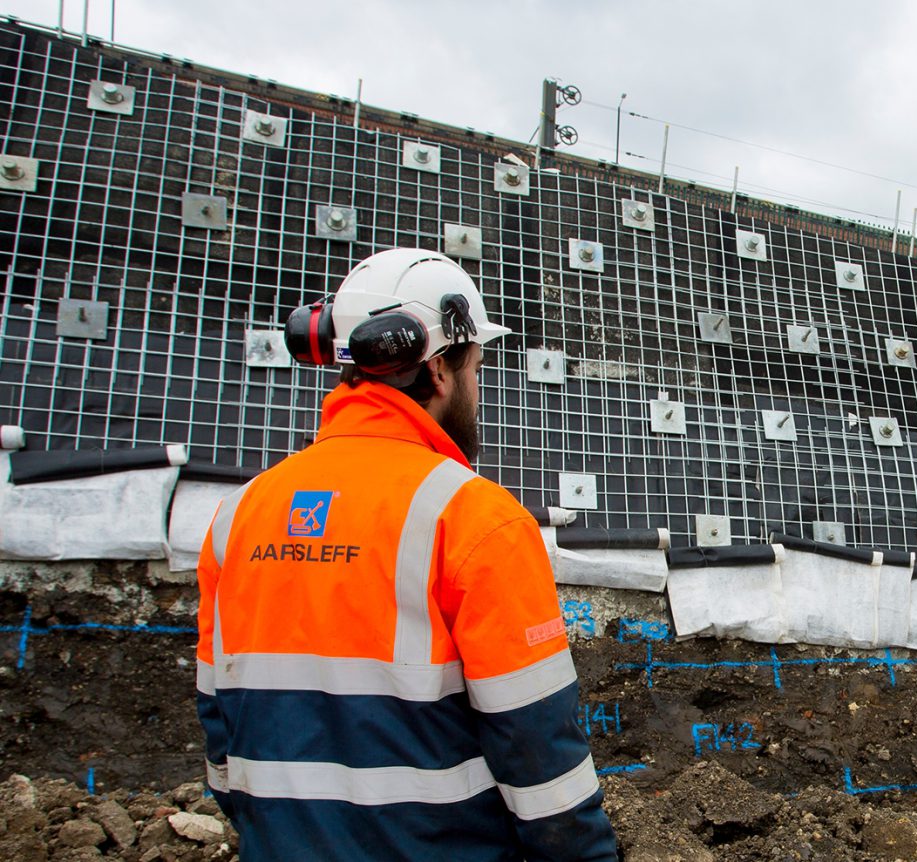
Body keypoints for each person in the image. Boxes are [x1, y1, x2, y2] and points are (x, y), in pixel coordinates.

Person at [195, 248, 617, 861]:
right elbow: (538, 752)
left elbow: (220, 733)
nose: (477, 385)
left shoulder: (239, 514)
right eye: (475, 367)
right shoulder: (476, 520)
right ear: (441, 369)